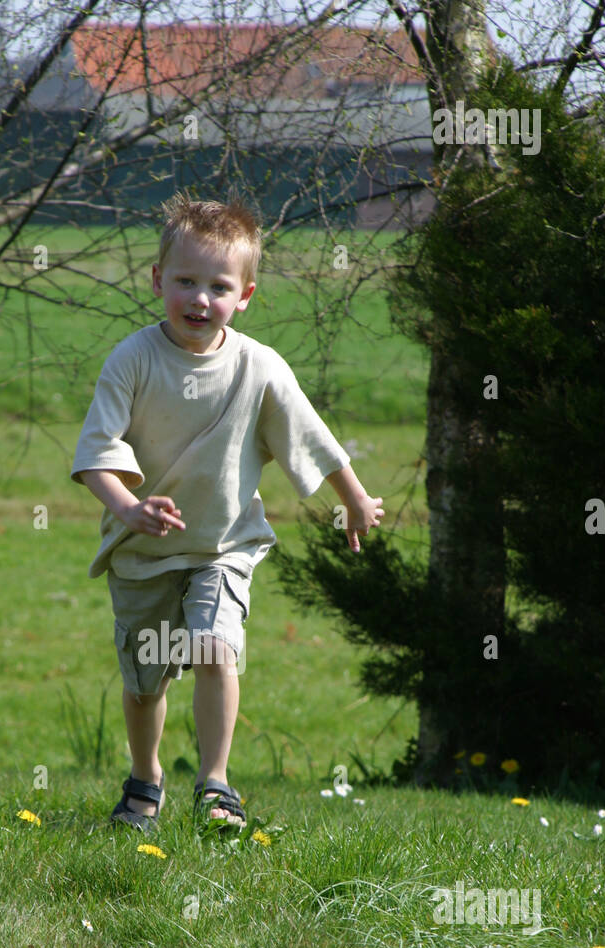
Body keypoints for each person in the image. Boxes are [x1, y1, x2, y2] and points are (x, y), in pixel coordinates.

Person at [71, 193, 384, 829]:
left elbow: (314, 436)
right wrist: (129, 509)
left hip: (223, 546)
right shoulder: (132, 360)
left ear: (244, 295)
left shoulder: (260, 367)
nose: (199, 298)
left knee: (216, 648)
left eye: (219, 286)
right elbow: (95, 454)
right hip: (142, 553)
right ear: (159, 280)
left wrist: (353, 499)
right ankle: (146, 777)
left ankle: (215, 784)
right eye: (185, 281)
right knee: (144, 683)